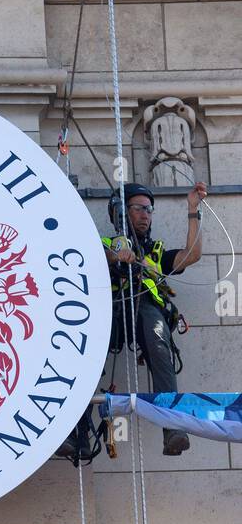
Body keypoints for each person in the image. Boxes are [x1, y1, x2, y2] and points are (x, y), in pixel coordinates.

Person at [57, 179, 208, 461]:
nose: (145, 215)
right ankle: (75, 435)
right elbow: (81, 261)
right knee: (83, 355)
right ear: (121, 212)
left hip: (144, 310)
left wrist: (192, 209)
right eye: (139, 208)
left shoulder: (155, 253)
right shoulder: (100, 245)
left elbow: (192, 255)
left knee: (158, 341)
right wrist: (115, 257)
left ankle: (173, 428)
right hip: (108, 311)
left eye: (149, 209)